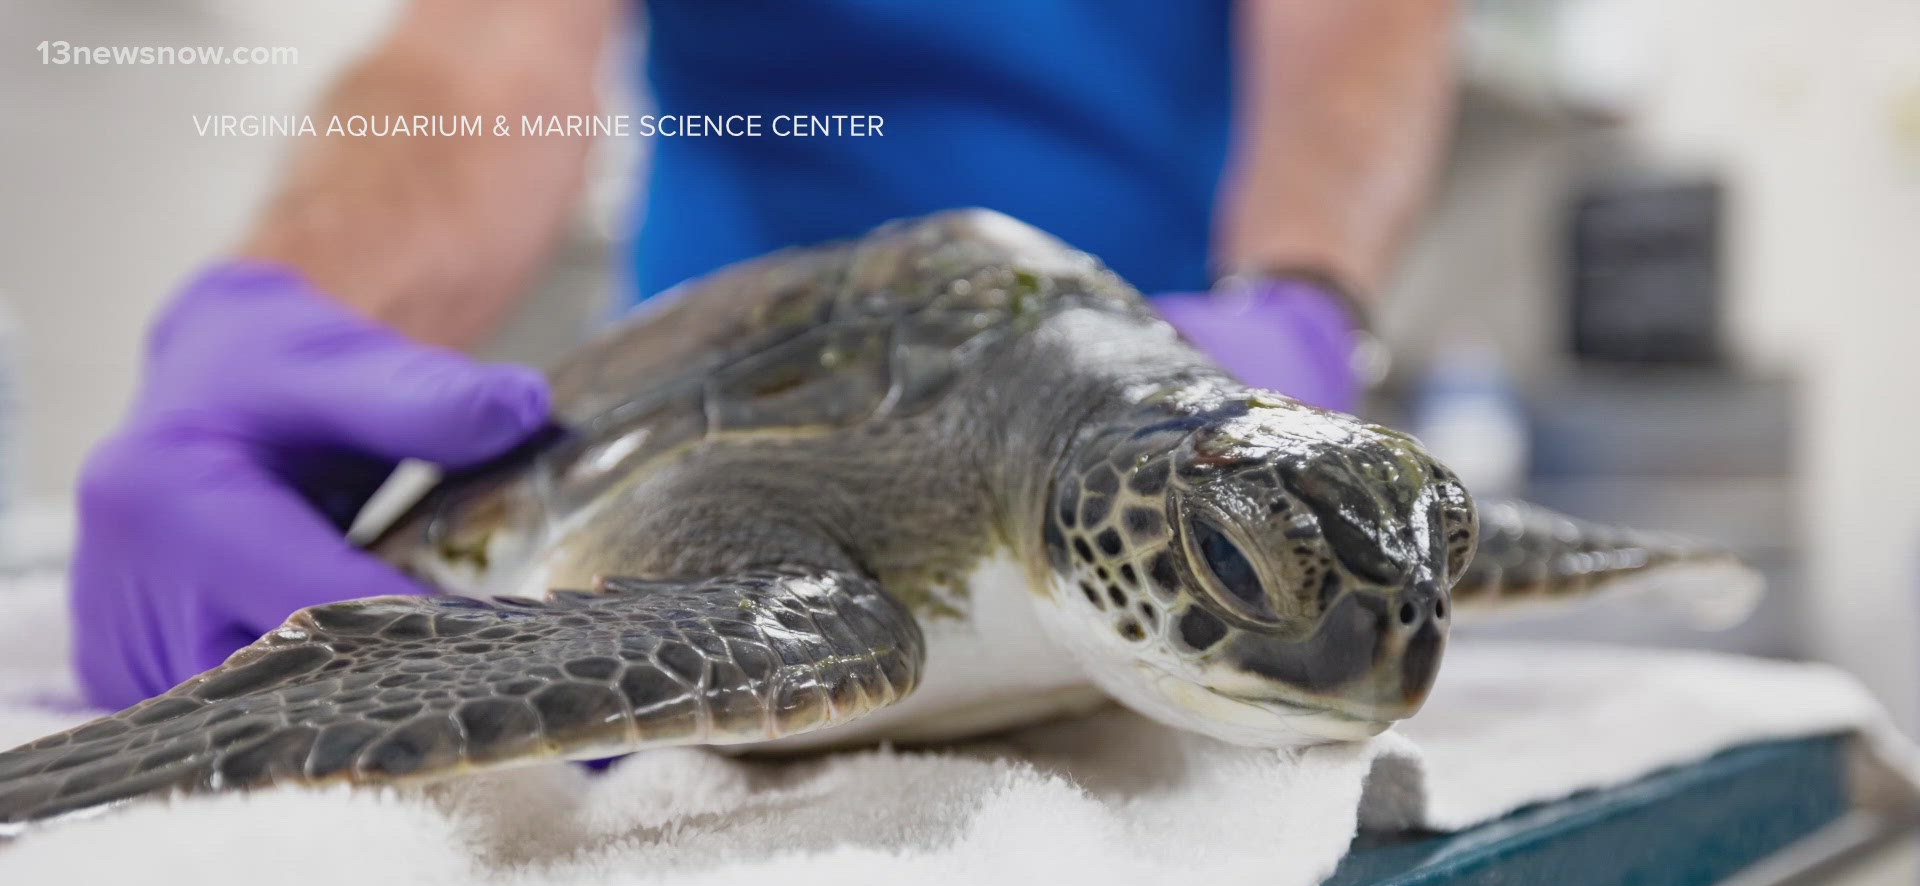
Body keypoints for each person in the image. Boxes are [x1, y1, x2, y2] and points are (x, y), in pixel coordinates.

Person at [72, 0, 1456, 708]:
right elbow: (487, 49)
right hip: (727, 406)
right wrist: (281, 302)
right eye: (1227, 569)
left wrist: (1303, 295)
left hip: (1171, 361)